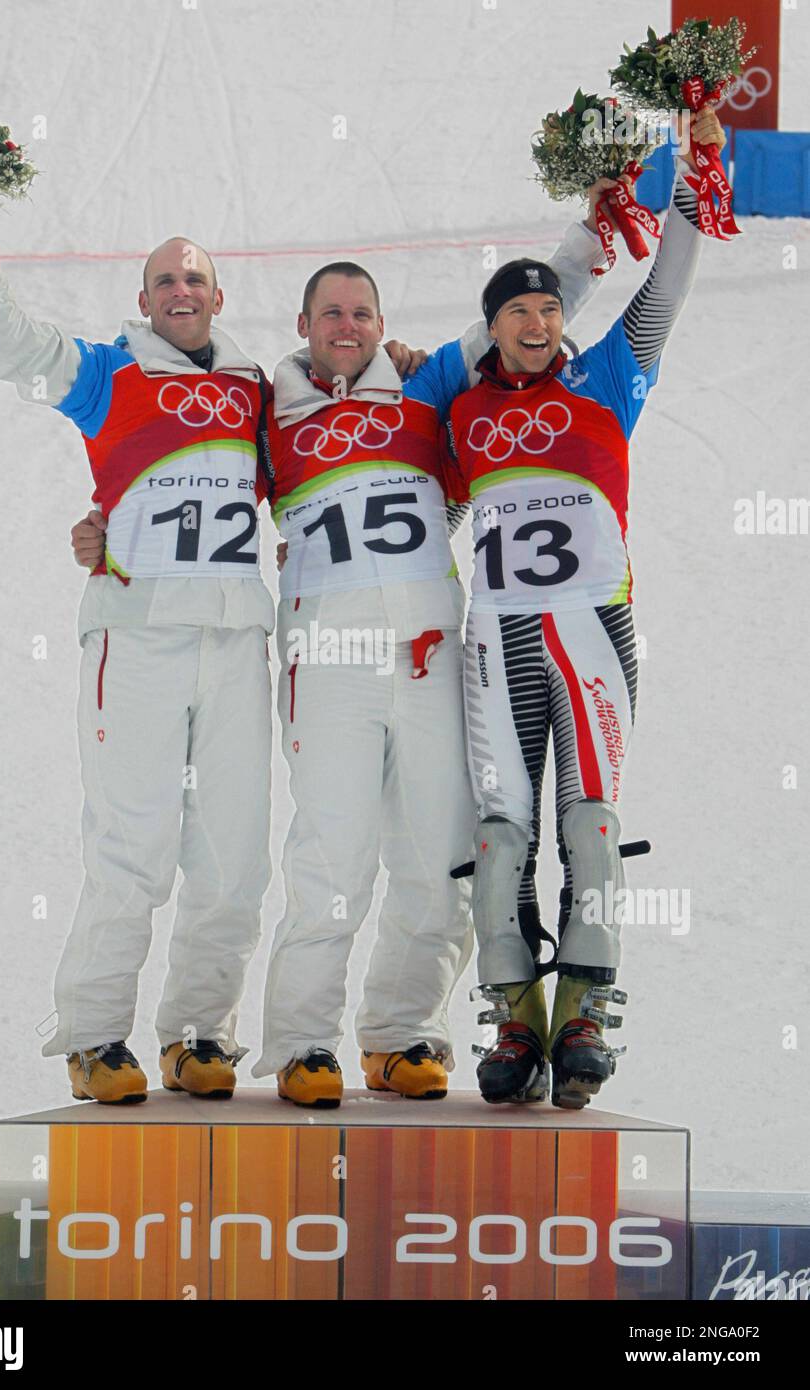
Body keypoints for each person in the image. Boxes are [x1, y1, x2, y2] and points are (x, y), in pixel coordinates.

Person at [250, 186, 620, 1107]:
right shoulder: (267, 410)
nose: (348, 324)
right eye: (331, 311)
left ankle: (402, 1029)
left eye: (363, 311)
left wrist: (594, 219)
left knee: (447, 854)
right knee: (330, 856)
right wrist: (105, 531)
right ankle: (302, 1042)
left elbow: (527, 309)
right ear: (303, 323)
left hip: (429, 659)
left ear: (383, 324)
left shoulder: (426, 387)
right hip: (327, 664)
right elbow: (196, 483)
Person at [0, 187, 277, 1104]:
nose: (179, 291)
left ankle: (202, 1032)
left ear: (218, 295)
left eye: (193, 277)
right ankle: (92, 1036)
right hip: (140, 636)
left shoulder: (258, 393)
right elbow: (23, 353)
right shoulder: (113, 374)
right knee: (133, 848)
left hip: (238, 639)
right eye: (164, 280)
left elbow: (333, 456)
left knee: (236, 857)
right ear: (145, 296)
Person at [444, 112, 725, 1108]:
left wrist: (694, 176)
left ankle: (586, 1013)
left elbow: (668, 285)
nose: (532, 321)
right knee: (496, 837)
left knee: (592, 826)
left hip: (593, 631)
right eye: (513, 311)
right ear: (493, 326)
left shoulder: (608, 378)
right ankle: (512, 1016)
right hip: (495, 636)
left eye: (543, 308)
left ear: (560, 319)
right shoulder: (461, 411)